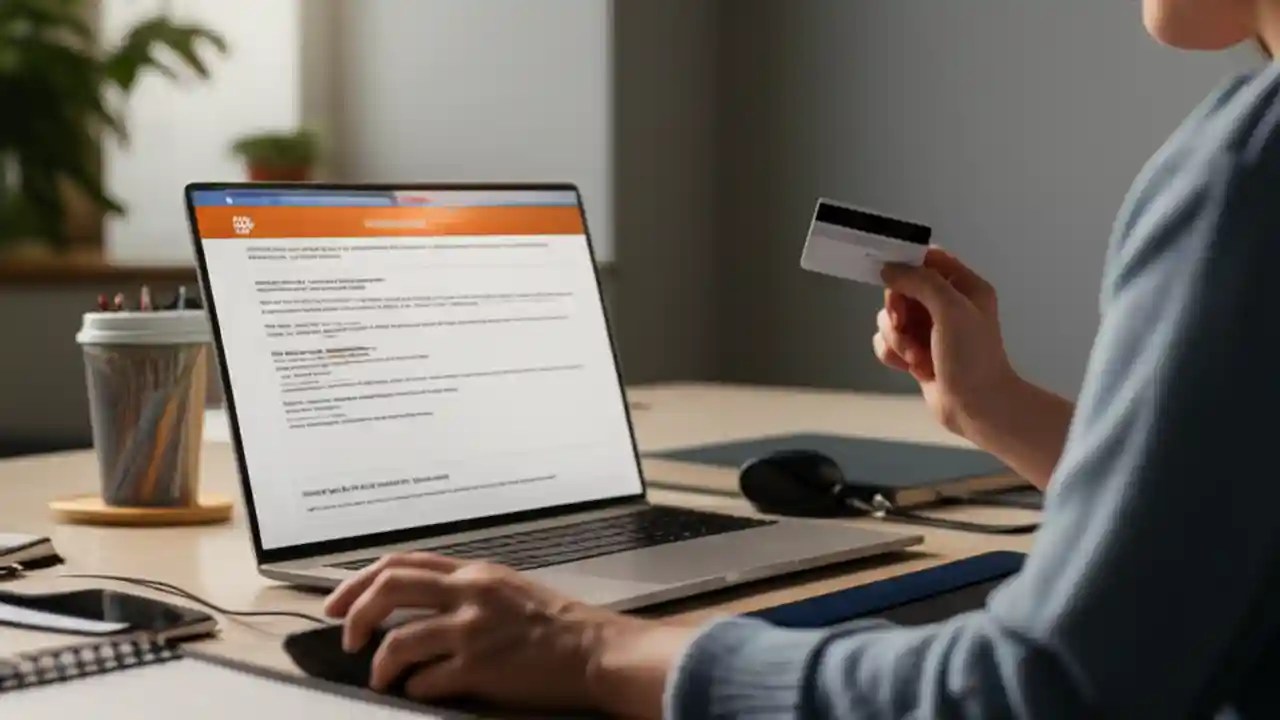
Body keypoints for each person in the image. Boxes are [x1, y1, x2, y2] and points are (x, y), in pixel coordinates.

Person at [322, 2, 1280, 717]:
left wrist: (591, 649)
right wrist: (992, 407)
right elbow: (1228, 543)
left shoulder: (1249, 170)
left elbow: (1044, 693)